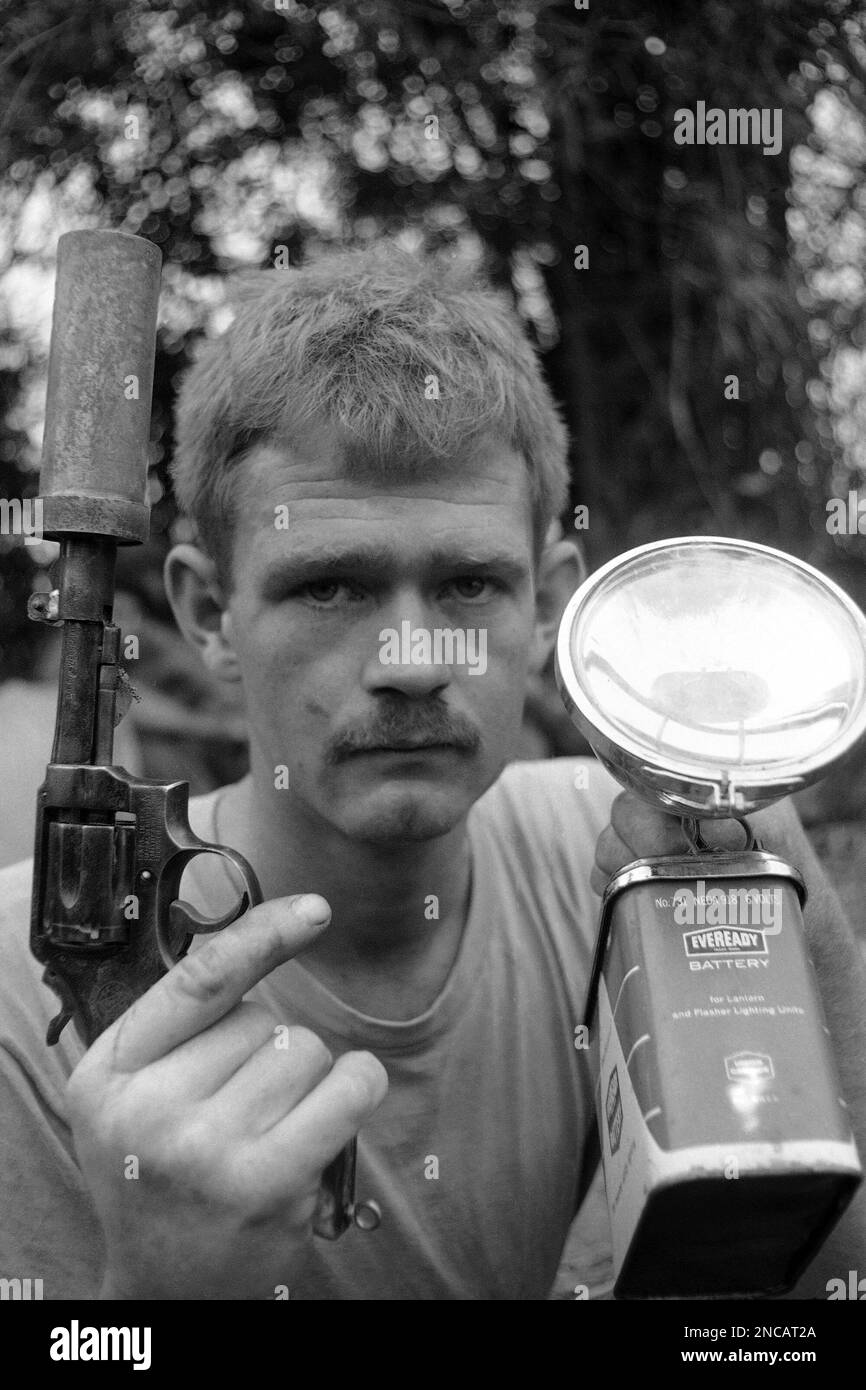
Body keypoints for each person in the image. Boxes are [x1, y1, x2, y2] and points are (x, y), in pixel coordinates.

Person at [0, 246, 864, 1301]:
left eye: (465, 584)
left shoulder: (656, 855)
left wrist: (807, 990)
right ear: (207, 613)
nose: (410, 663)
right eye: (328, 588)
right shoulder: (14, 998)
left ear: (548, 606)